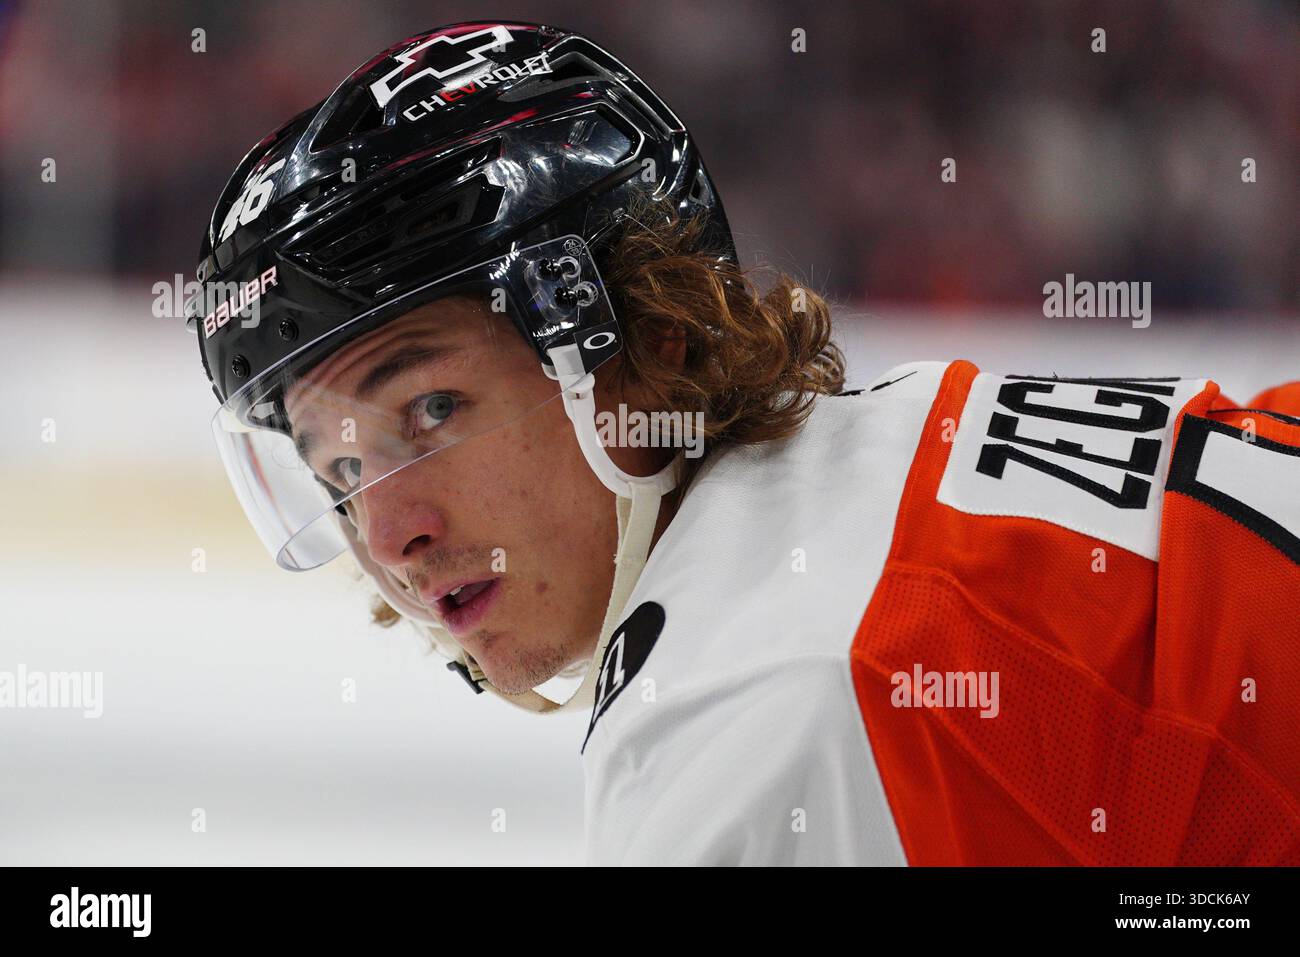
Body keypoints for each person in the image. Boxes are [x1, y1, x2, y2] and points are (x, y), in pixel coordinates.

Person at [189, 20, 1300, 865]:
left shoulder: (759, 709)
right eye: (337, 469)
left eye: (430, 411)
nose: (390, 533)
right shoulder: (882, 457)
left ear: (650, 335)